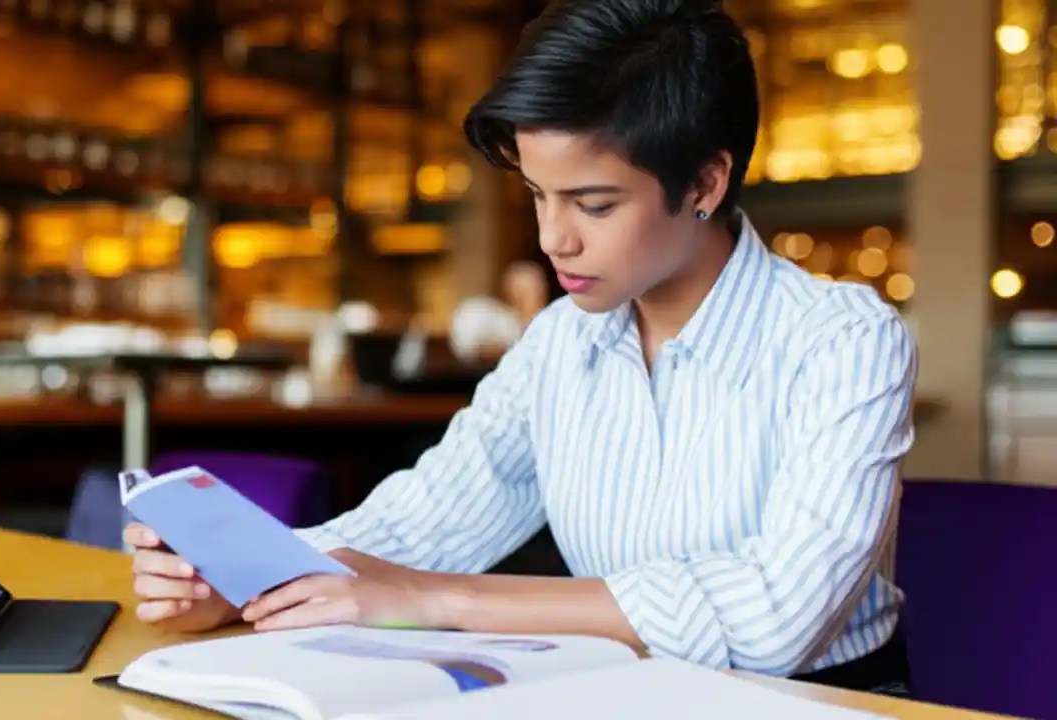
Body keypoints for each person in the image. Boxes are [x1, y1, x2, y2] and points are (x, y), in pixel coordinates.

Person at [125, 0, 916, 694]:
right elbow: (428, 517)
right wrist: (248, 578)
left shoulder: (844, 342)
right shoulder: (563, 341)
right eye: (538, 195)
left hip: (817, 703)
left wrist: (435, 599)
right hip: (624, 691)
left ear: (706, 184)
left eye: (593, 205)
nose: (552, 239)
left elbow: (778, 616)